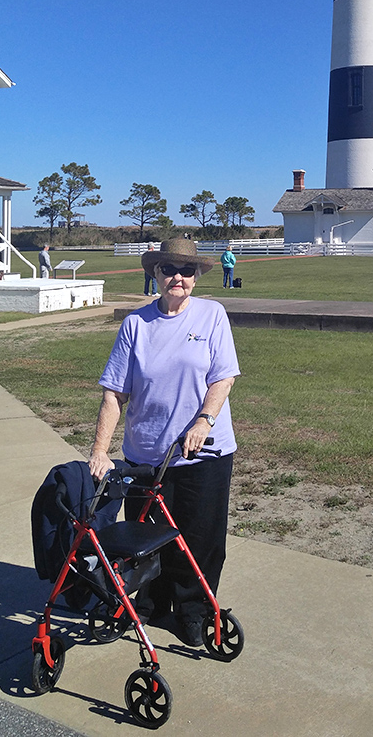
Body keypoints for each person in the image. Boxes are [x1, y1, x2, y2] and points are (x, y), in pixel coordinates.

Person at [89, 238, 239, 647]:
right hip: (146, 456)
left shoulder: (212, 315)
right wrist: (100, 450)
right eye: (169, 269)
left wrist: (204, 420)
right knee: (147, 539)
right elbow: (114, 394)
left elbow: (222, 377)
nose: (178, 277)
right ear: (155, 273)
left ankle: (193, 611)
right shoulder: (136, 324)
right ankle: (153, 601)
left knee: (201, 539)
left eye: (187, 271)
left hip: (204, 453)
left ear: (196, 277)